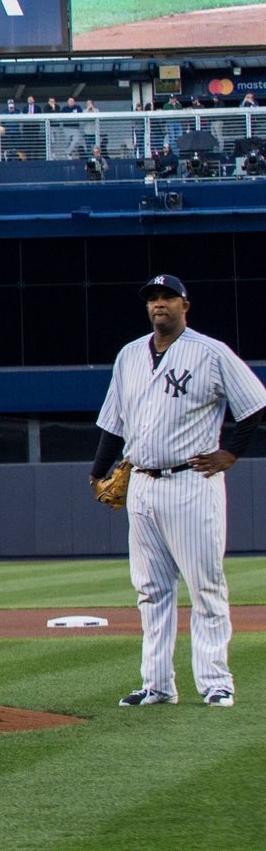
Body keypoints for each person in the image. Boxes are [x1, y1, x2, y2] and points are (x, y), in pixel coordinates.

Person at [91, 274, 264, 707]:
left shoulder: (210, 352)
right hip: (142, 484)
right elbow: (113, 422)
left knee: (205, 585)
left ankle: (215, 681)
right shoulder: (129, 355)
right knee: (150, 589)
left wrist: (230, 454)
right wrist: (97, 472)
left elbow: (254, 402)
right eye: (152, 298)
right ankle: (157, 684)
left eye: (168, 296)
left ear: (186, 305)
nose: (159, 304)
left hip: (191, 481)